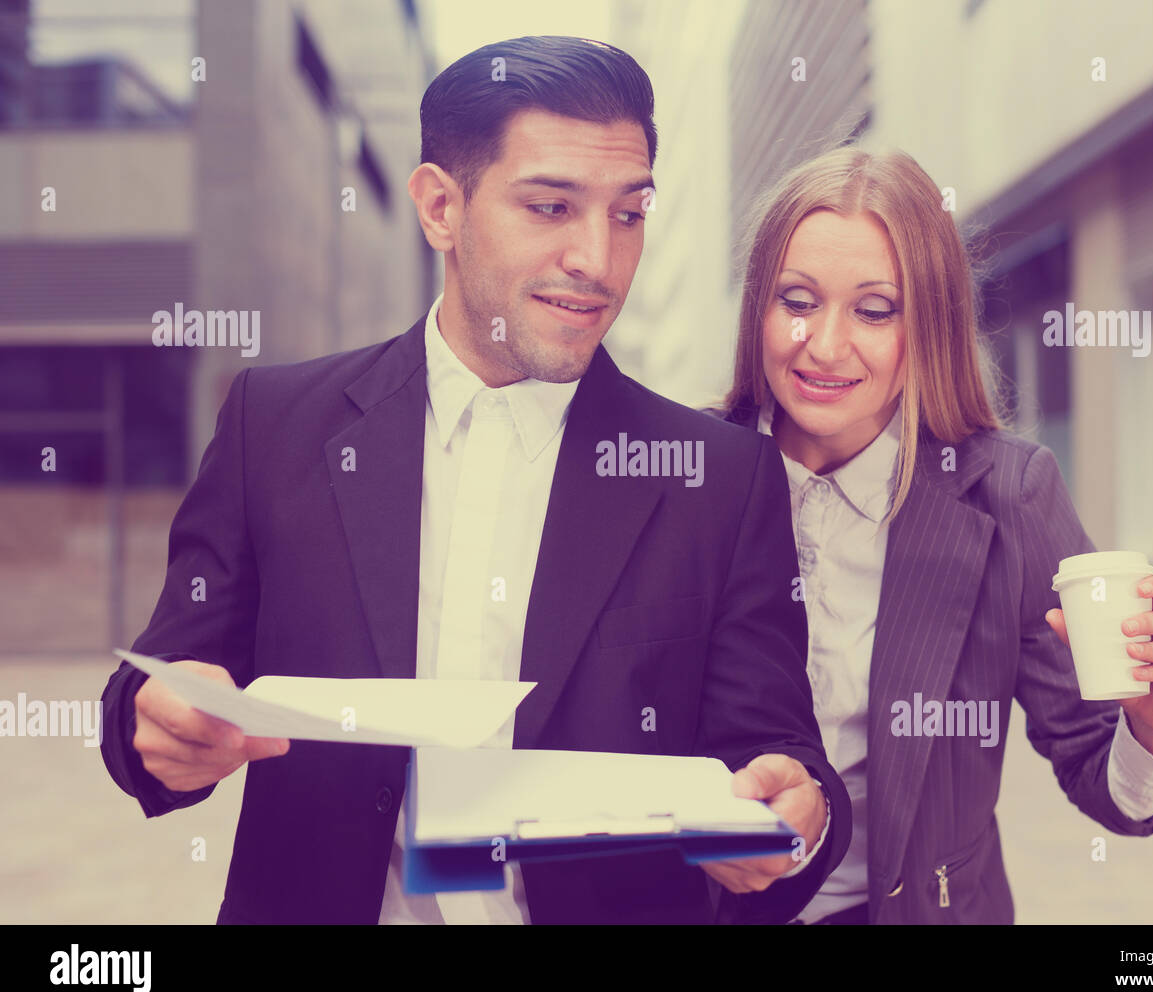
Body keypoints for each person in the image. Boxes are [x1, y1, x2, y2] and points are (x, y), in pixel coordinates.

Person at [98, 36, 852, 925]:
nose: (598, 261)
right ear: (439, 208)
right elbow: (160, 684)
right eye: (550, 206)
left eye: (628, 213)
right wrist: (156, 727)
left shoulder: (720, 480)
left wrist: (791, 814)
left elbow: (781, 757)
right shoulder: (277, 425)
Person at [711, 147, 1153, 925]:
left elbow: (1114, 795)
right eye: (796, 300)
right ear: (758, 311)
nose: (826, 343)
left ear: (929, 326)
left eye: (875, 310)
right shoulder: (687, 476)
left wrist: (1151, 729)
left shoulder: (1009, 493)